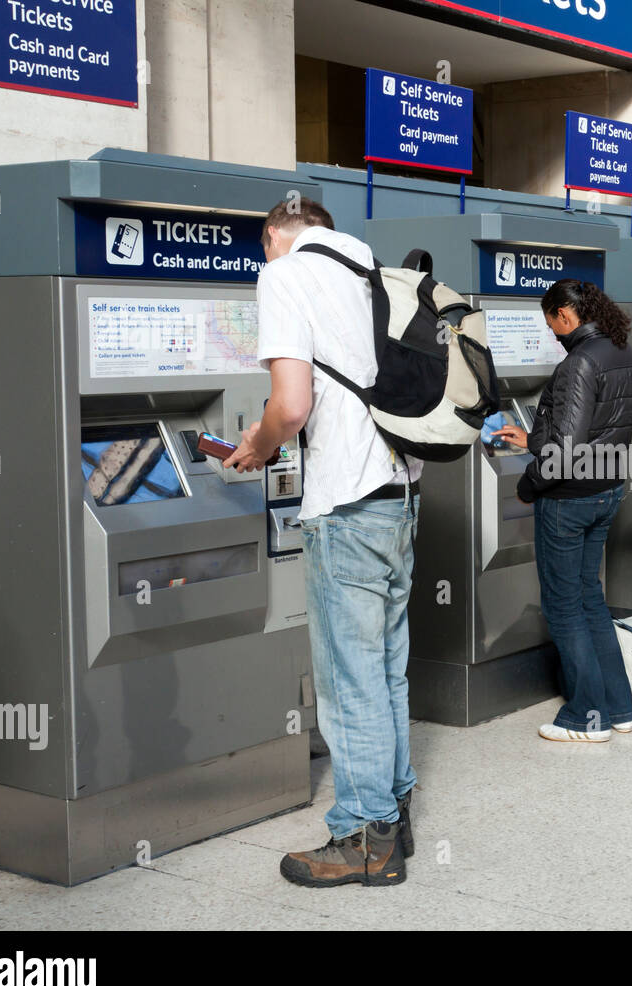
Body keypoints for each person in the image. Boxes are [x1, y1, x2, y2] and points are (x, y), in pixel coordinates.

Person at [229, 198, 419, 888]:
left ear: (274, 234)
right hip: (399, 494)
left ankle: (363, 839)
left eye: (265, 248)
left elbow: (293, 404)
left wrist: (258, 441)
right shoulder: (370, 267)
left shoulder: (284, 275)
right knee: (388, 667)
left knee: (348, 679)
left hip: (343, 501)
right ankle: (396, 814)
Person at [492, 280, 632, 743]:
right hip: (605, 490)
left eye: (550, 322)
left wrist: (528, 484)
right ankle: (618, 707)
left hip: (567, 497)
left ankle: (585, 717)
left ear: (564, 314)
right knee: (588, 597)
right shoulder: (621, 352)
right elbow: (593, 430)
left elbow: (568, 444)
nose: (552, 332)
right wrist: (531, 439)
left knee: (563, 606)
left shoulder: (578, 363)